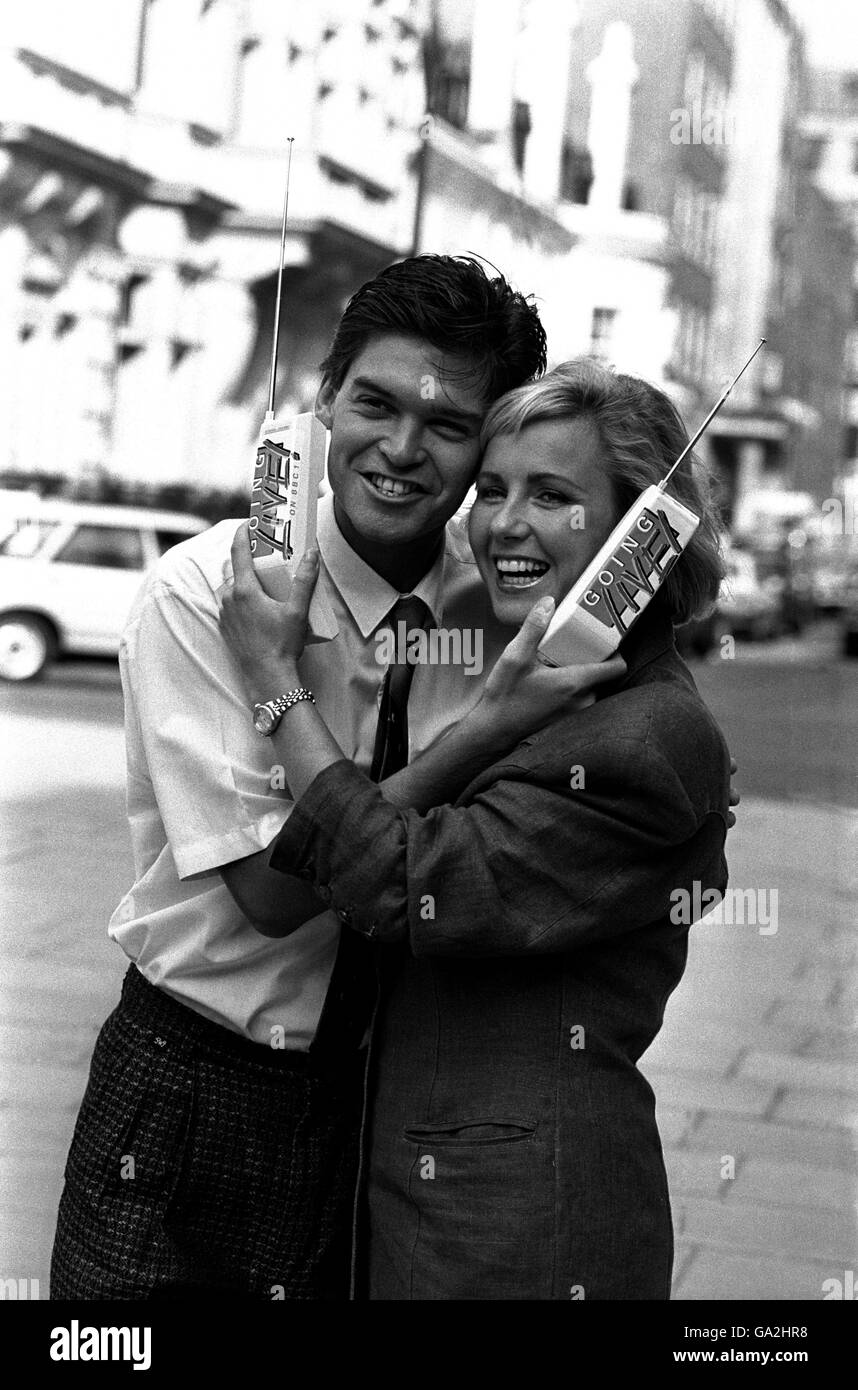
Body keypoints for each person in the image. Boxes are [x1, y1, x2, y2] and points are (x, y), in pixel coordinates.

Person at [49, 254, 551, 1300]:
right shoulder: (208, 592)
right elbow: (275, 893)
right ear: (326, 399)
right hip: (189, 1084)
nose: (401, 450)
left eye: (449, 425)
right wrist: (479, 732)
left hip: (381, 1099)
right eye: (373, 402)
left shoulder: (497, 615)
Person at [217, 358, 732, 1301]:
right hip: (442, 1203)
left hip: (520, 1233)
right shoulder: (561, 687)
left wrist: (274, 682)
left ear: (642, 537)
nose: (503, 525)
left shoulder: (643, 738)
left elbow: (401, 881)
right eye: (492, 489)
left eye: (551, 496)